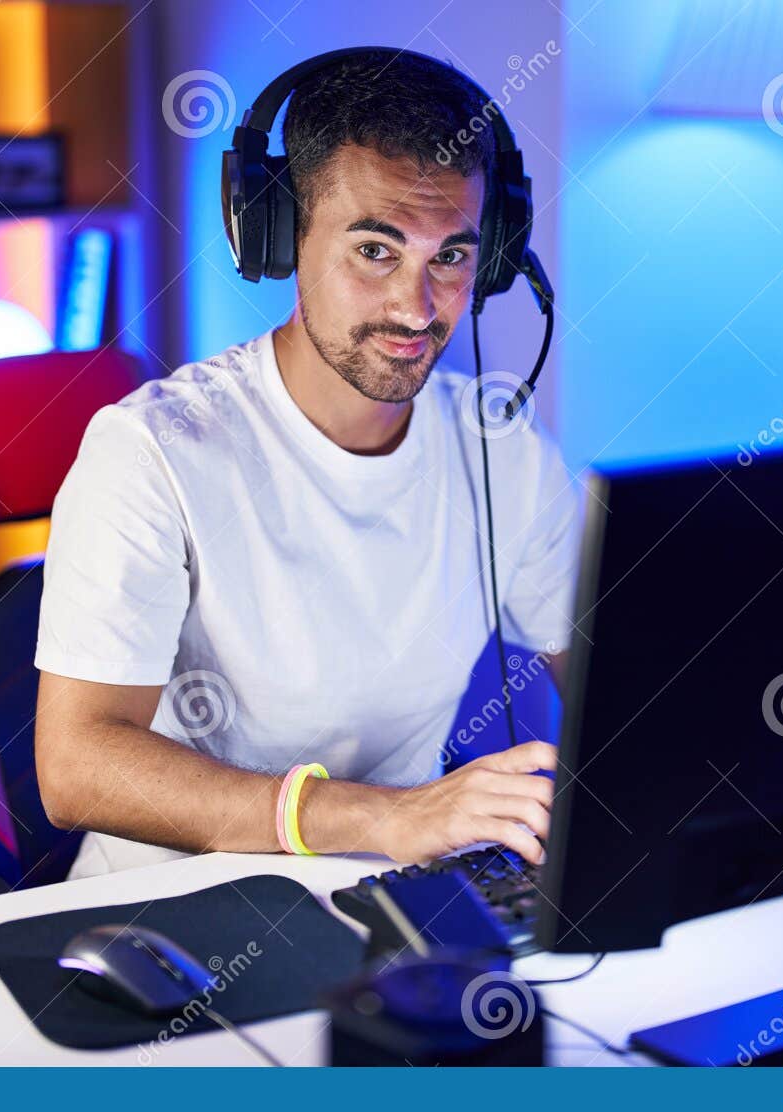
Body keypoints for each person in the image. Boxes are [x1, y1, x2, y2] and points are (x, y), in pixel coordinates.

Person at [33, 50, 582, 878]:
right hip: (165, 919)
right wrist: (382, 816)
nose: (416, 307)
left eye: (451, 257)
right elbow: (75, 766)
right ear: (281, 231)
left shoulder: (503, 448)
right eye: (375, 250)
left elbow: (617, 682)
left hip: (393, 903)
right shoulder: (152, 449)